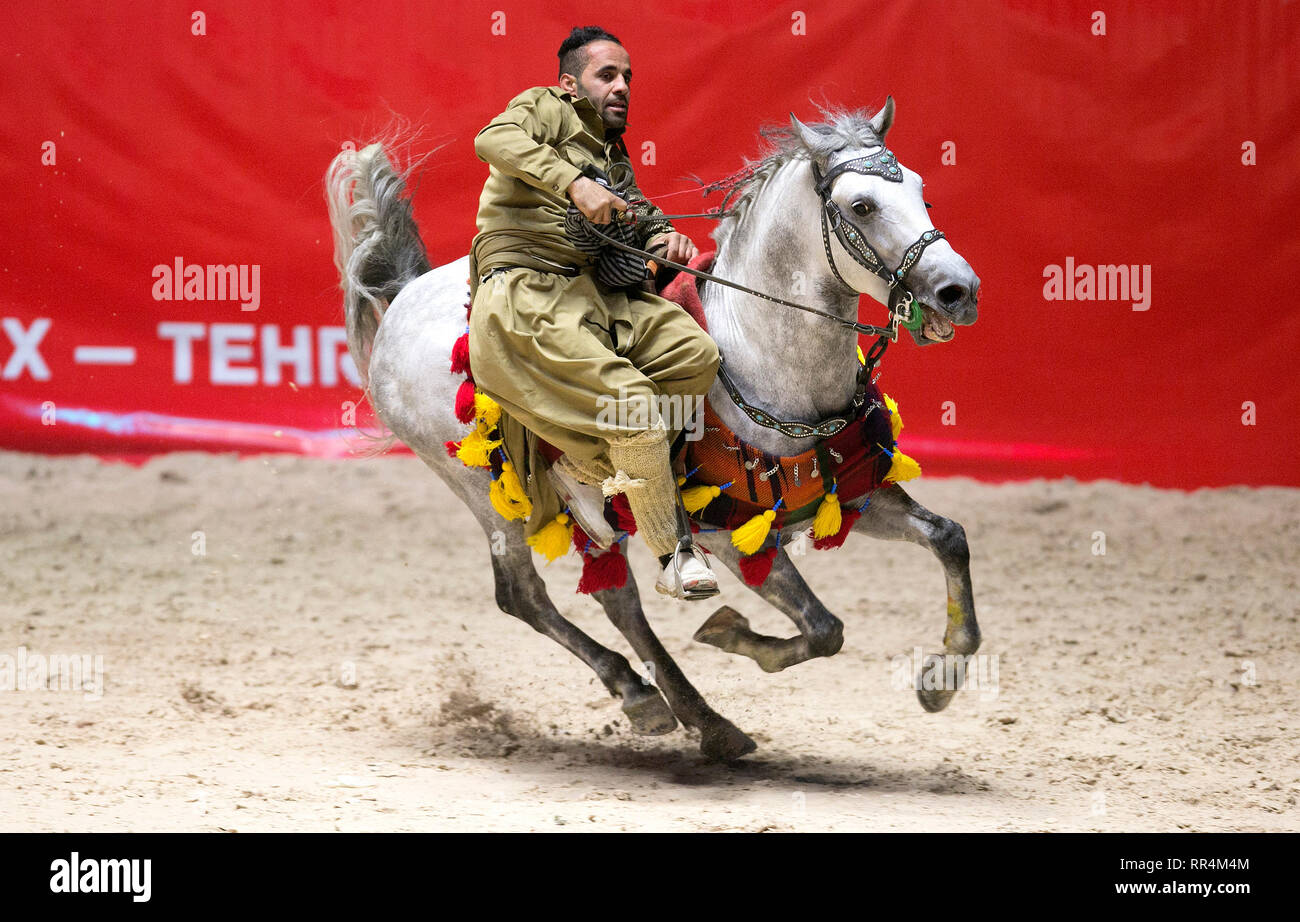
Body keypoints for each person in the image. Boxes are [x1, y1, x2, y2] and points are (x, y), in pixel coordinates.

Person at [467, 25, 720, 599]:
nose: (623, 85)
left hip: (592, 299)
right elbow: (493, 139)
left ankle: (592, 470)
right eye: (608, 74)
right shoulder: (545, 107)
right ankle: (675, 556)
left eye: (628, 76)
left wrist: (663, 241)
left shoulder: (613, 153)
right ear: (570, 84)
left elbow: (639, 215)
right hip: (525, 296)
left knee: (696, 354)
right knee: (632, 405)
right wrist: (574, 182)